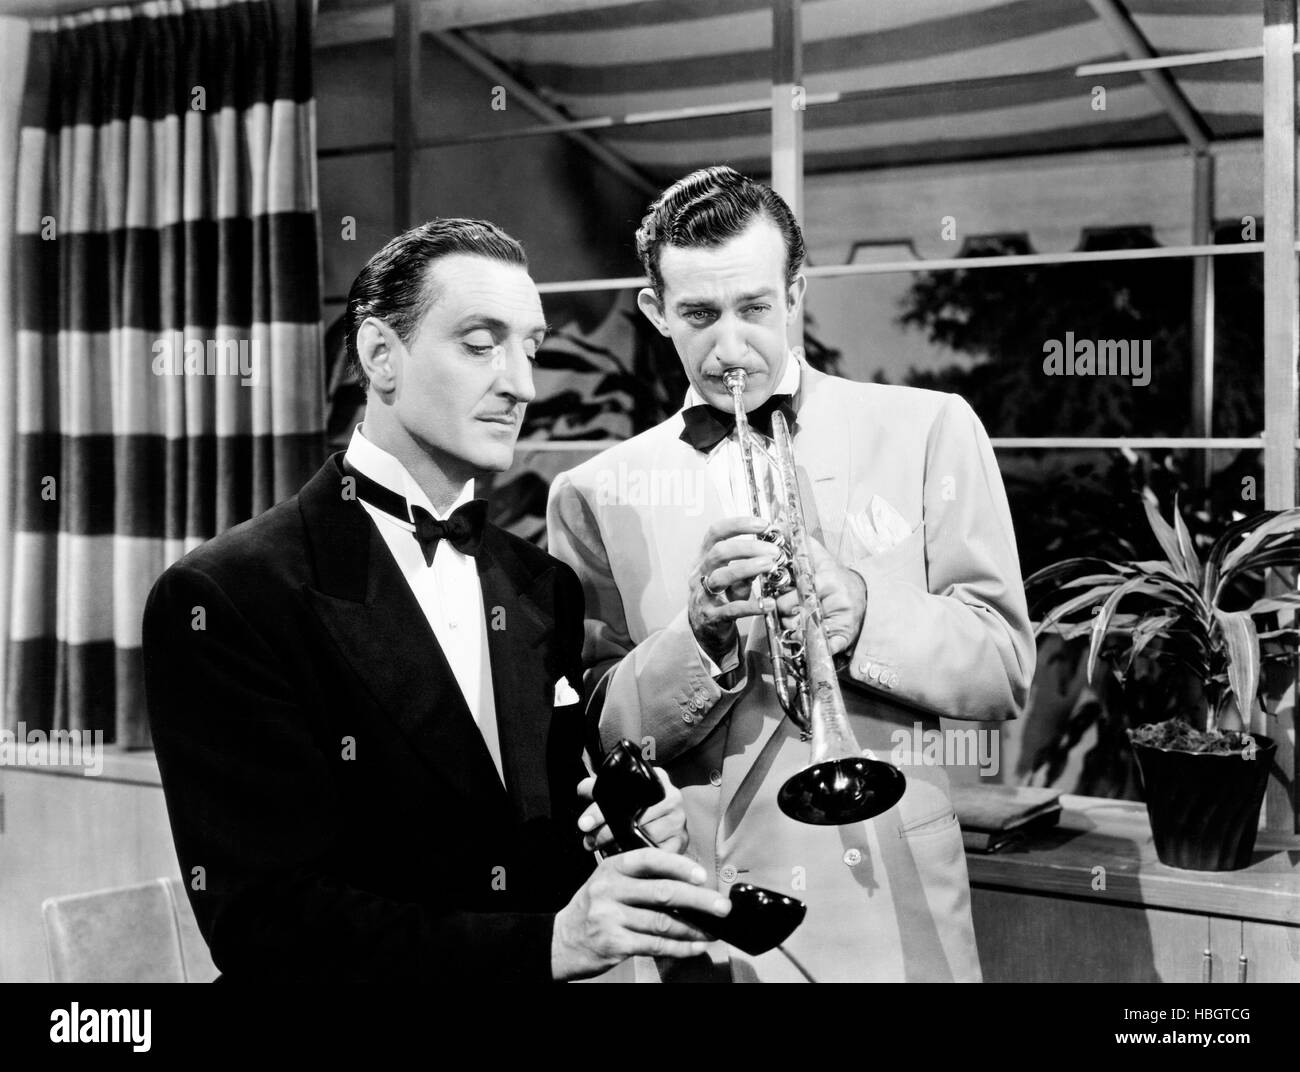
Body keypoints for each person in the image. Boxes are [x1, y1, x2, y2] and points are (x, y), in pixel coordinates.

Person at [143, 218, 729, 983]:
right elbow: (267, 925)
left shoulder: (538, 584)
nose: (521, 383)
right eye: (481, 345)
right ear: (381, 356)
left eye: (532, 348)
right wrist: (548, 946)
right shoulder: (225, 597)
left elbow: (523, 849)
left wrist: (619, 828)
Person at [547, 168, 1036, 982]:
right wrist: (698, 636)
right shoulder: (596, 493)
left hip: (887, 914)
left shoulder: (929, 431)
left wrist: (862, 613)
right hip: (700, 918)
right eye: (699, 315)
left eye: (755, 309)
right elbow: (598, 735)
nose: (729, 348)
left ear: (797, 291)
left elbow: (1004, 673)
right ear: (655, 311)